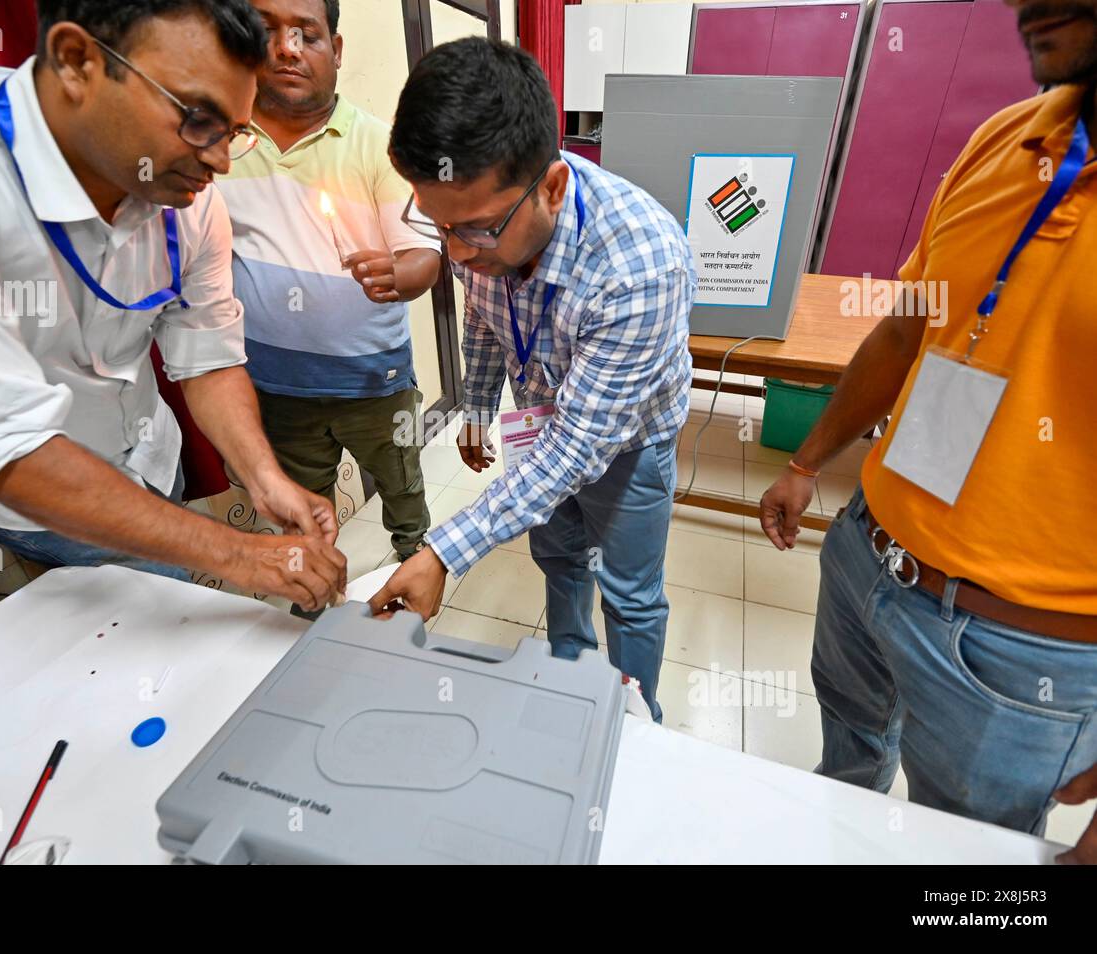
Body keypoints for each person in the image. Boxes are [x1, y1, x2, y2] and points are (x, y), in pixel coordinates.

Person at [0, 0, 346, 611]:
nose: (218, 161)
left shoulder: (189, 198)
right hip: (30, 500)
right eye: (198, 120)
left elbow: (208, 355)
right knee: (107, 630)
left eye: (235, 135)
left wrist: (264, 478)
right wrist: (240, 555)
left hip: (149, 452)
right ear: (78, 61)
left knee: (162, 607)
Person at [757, 0, 1097, 863]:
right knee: (848, 770)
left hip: (1023, 654)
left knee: (962, 869)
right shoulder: (1008, 137)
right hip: (868, 559)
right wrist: (807, 462)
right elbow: (908, 329)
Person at [369, 38, 696, 722]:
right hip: (540, 420)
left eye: (476, 232)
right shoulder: (478, 219)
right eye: (439, 226)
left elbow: (578, 450)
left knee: (629, 591)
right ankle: (569, 680)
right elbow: (486, 321)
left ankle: (632, 723)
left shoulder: (641, 266)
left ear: (550, 186)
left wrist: (443, 552)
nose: (456, 253)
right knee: (559, 555)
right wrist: (480, 409)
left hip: (626, 443)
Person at [218, 0, 441, 563]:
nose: (288, 48)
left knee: (403, 489)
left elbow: (425, 256)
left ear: (335, 51)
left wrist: (400, 274)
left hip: (376, 383)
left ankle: (414, 568)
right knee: (304, 514)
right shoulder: (221, 148)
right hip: (277, 389)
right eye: (269, 32)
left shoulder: (379, 146)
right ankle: (314, 596)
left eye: (307, 34)